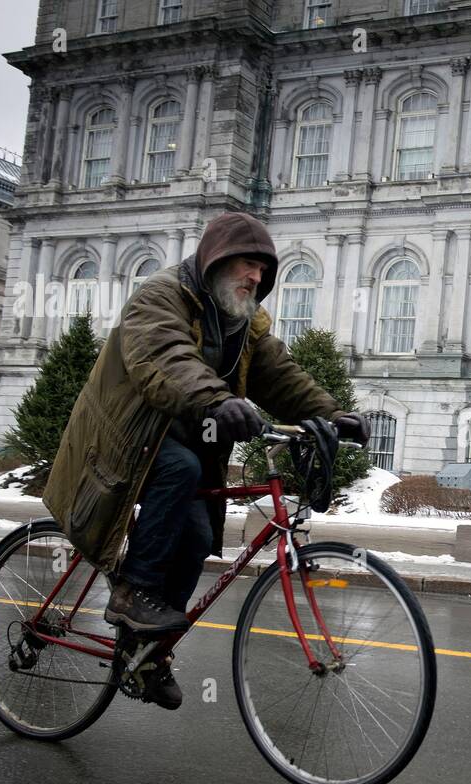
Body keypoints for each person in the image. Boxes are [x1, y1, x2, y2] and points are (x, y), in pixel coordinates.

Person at [43, 211, 370, 708]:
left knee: (198, 534)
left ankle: (146, 653)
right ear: (216, 259)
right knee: (182, 469)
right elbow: (166, 359)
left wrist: (331, 414)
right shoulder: (160, 296)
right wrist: (218, 400)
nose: (256, 277)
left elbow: (279, 376)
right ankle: (133, 593)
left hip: (186, 437)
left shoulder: (243, 322)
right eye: (247, 264)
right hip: (128, 435)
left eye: (263, 270)